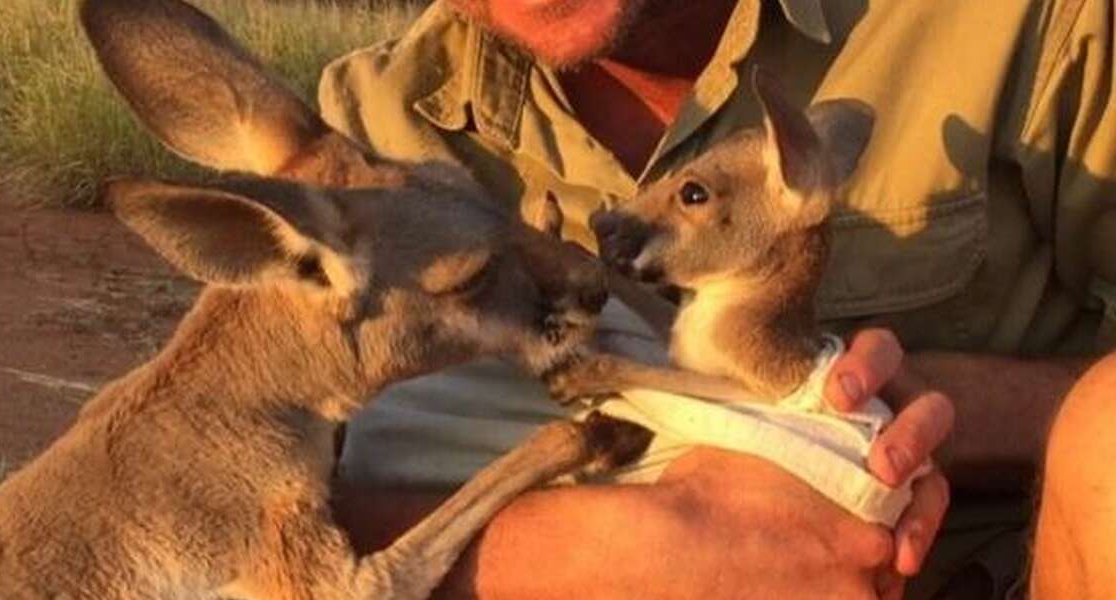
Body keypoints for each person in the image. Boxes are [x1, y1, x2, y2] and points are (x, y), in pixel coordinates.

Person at [316, 0, 1116, 598]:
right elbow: (270, 515)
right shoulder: (372, 122)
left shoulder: (1013, 22)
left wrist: (914, 413)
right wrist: (610, 552)